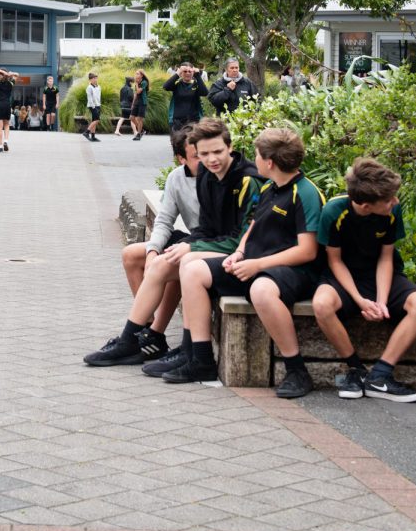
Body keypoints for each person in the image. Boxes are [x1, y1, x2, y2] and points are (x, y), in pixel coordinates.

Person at [171, 128, 324, 391]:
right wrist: (239, 254)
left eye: (257, 155)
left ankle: (296, 370)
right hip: (254, 264)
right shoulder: (268, 187)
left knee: (260, 291)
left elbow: (307, 251)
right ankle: (201, 360)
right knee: (193, 270)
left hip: (292, 271)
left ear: (269, 162)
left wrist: (257, 265)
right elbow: (252, 227)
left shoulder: (306, 193)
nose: (254, 160)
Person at [143, 119, 262, 378]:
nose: (211, 159)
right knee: (171, 260)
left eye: (217, 151)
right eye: (204, 154)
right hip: (223, 248)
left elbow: (245, 239)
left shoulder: (248, 180)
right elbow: (206, 226)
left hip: (250, 258)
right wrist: (187, 244)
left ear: (230, 147)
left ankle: (200, 359)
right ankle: (178, 349)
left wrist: (192, 247)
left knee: (190, 266)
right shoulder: (207, 175)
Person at [311, 158, 416, 402]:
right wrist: (360, 300)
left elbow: (386, 258)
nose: (395, 202)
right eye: (388, 200)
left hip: (380, 273)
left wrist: (381, 302)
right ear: (366, 206)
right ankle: (356, 369)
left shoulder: (392, 210)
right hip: (343, 275)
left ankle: (380, 375)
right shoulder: (334, 211)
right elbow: (335, 261)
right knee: (321, 304)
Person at [83, 127, 200, 367]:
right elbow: (164, 220)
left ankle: (154, 335)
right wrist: (152, 251)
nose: (206, 158)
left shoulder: (217, 179)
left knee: (171, 261)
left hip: (203, 242)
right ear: (181, 158)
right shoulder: (177, 178)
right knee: (132, 255)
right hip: (192, 237)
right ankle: (144, 330)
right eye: (197, 155)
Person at [163, 63, 208, 129]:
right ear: (181, 72)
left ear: (193, 72)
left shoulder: (196, 85)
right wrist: (177, 73)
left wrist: (197, 75)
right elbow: (165, 87)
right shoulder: (177, 84)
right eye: (185, 71)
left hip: (194, 122)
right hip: (177, 121)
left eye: (190, 71)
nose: (187, 73)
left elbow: (205, 93)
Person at [130, 68, 149, 139]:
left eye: (137, 73)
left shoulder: (144, 82)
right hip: (137, 102)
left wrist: (136, 83)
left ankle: (138, 134)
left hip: (142, 102)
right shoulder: (137, 83)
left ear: (141, 75)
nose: (136, 75)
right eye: (136, 73)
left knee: (139, 118)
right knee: (131, 117)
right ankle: (141, 130)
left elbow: (138, 91)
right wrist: (133, 103)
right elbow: (135, 94)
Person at [84, 72, 101, 141]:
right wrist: (93, 107)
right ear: (90, 80)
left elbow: (99, 96)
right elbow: (90, 98)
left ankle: (93, 136)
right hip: (92, 106)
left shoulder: (98, 86)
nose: (95, 79)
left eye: (96, 78)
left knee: (94, 120)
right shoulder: (89, 87)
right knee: (97, 120)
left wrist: (99, 104)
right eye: (94, 78)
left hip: (98, 105)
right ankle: (86, 132)